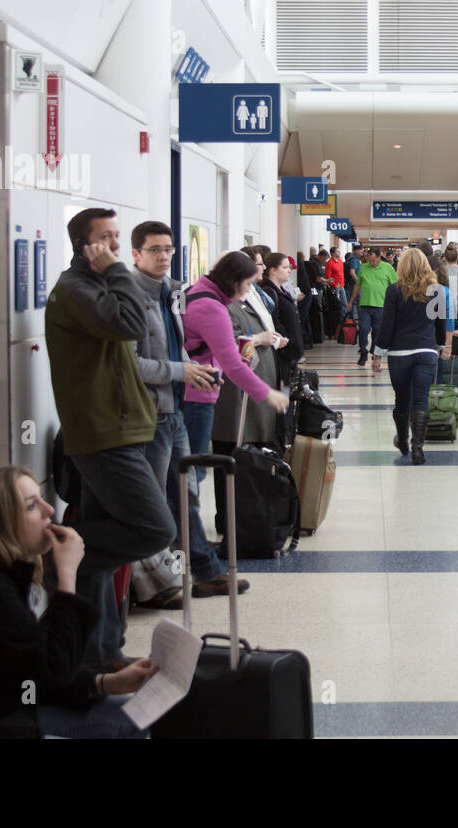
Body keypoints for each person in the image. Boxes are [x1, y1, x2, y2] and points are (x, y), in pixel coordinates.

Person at [0, 467, 156, 738]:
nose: (49, 510)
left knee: (133, 715)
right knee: (128, 723)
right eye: (32, 505)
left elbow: (31, 674)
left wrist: (105, 683)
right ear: (1, 523)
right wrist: (67, 576)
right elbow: (52, 669)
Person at [45, 207, 176, 667]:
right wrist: (118, 271)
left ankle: (98, 651)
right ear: (84, 245)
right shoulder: (76, 290)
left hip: (125, 427)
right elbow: (131, 325)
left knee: (101, 557)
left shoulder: (98, 285)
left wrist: (114, 274)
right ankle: (60, 551)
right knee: (155, 528)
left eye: (118, 237)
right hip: (103, 433)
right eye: (106, 238)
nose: (115, 246)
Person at [128, 222, 238, 603]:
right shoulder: (127, 298)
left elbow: (176, 349)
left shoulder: (172, 294)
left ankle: (200, 571)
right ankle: (154, 583)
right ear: (136, 254)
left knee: (185, 493)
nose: (163, 256)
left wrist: (198, 369)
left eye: (169, 249)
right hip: (149, 414)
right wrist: (181, 370)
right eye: (155, 249)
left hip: (174, 409)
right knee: (156, 500)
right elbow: (130, 364)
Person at [182, 252, 289, 505]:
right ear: (234, 279)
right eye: (248, 283)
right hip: (200, 395)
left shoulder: (198, 292)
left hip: (198, 389)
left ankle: (188, 535)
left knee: (190, 471)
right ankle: (189, 538)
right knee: (193, 474)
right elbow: (233, 363)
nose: (248, 290)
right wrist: (268, 394)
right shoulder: (213, 308)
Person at [370, 249, 450, 465]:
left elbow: (387, 326)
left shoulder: (393, 291)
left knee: (402, 399)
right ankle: (418, 449)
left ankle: (403, 440)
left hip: (400, 353)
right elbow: (440, 323)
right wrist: (441, 344)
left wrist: (378, 353)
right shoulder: (437, 291)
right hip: (426, 351)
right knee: (421, 399)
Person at [347, 248, 398, 366]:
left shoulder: (388, 268)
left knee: (377, 332)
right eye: (370, 260)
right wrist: (350, 302)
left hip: (381, 306)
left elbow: (395, 286)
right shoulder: (363, 267)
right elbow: (357, 285)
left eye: (374, 261)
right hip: (365, 305)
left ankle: (375, 352)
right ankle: (363, 352)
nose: (372, 263)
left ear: (380, 257)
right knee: (364, 329)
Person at [259, 252, 305, 383]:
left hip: (289, 354)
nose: (289, 271)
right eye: (285, 268)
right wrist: (287, 343)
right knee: (283, 392)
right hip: (283, 352)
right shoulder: (269, 291)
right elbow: (273, 321)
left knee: (287, 390)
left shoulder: (280, 290)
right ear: (273, 270)